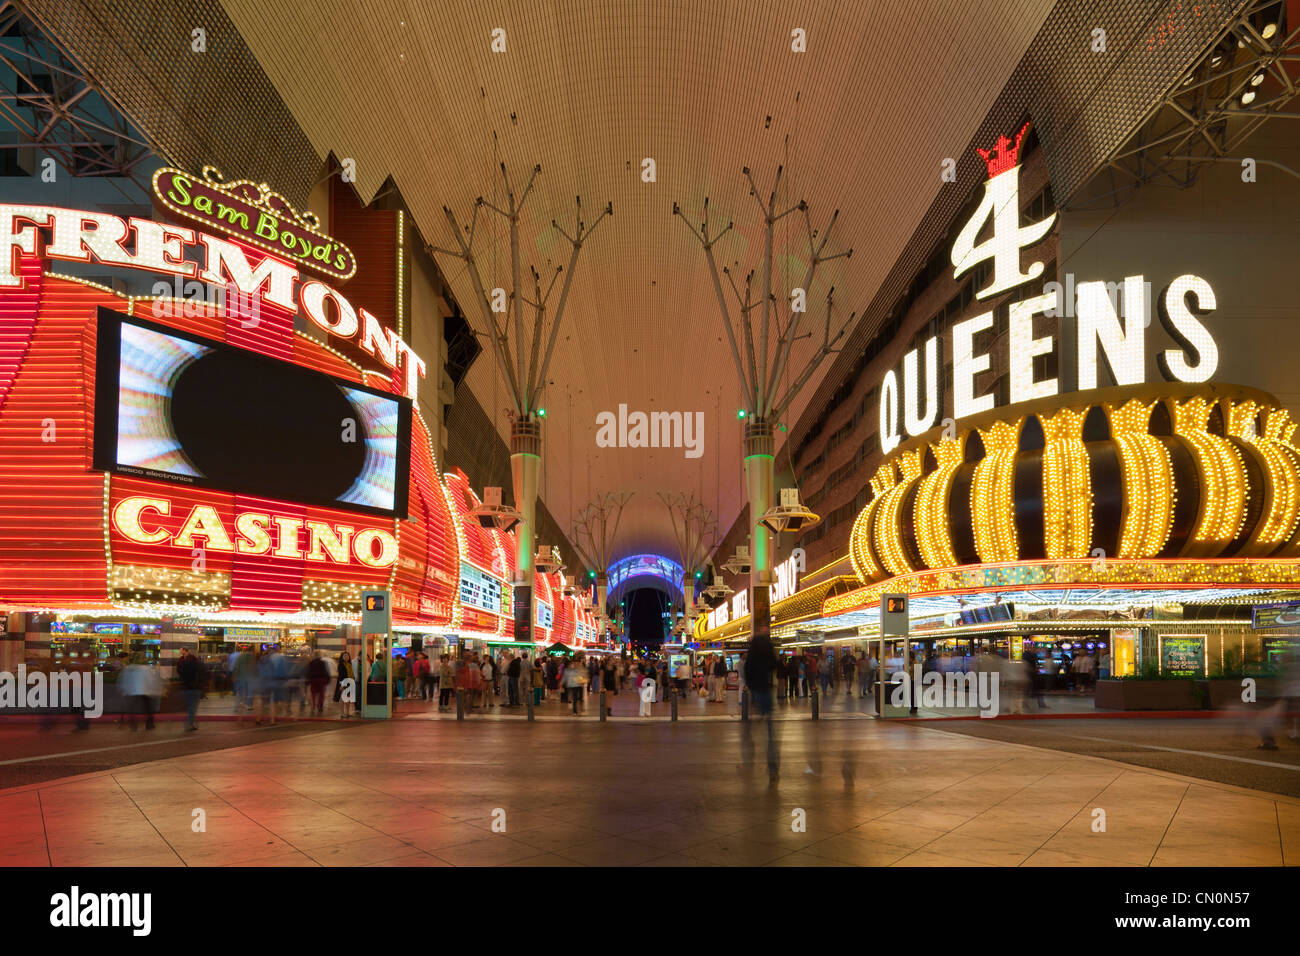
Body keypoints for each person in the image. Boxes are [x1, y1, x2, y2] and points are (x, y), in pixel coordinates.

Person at [176, 648, 204, 731]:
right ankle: (190, 723)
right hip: (194, 688)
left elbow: (180, 672)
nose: (181, 652)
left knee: (190, 707)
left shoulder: (182, 662)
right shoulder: (196, 662)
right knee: (192, 707)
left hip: (186, 687)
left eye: (182, 651)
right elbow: (201, 674)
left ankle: (190, 723)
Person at [336, 651, 355, 716]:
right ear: (342, 657)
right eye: (344, 656)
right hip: (344, 682)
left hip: (350, 682)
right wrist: (342, 685)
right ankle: (342, 713)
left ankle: (347, 712)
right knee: (342, 698)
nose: (346, 657)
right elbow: (340, 676)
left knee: (348, 698)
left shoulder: (349, 664)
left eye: (347, 656)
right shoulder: (341, 665)